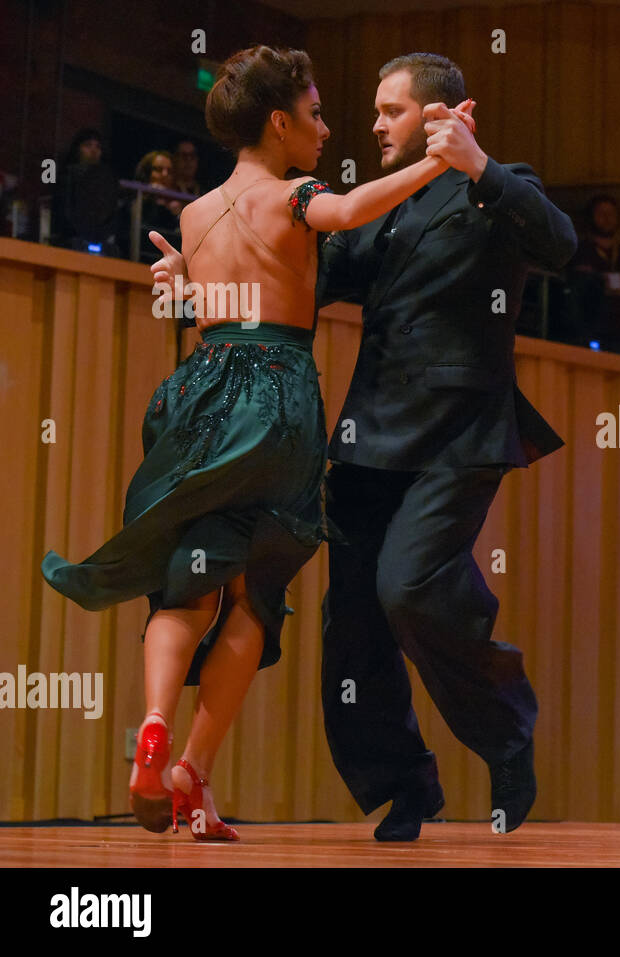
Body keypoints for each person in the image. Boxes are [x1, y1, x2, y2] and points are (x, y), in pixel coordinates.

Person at [41, 44, 473, 843]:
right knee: (255, 594)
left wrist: (182, 288)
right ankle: (194, 766)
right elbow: (351, 211)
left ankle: (156, 725)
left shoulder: (195, 213)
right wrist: (438, 164)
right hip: (275, 397)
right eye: (316, 114)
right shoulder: (298, 195)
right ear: (279, 122)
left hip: (198, 394)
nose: (327, 129)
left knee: (185, 585)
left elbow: (202, 310)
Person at [316, 52, 576, 841]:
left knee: (411, 588)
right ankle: (405, 783)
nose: (374, 125)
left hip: (460, 431)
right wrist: (205, 277)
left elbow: (560, 244)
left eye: (390, 111)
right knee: (352, 624)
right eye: (375, 110)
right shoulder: (379, 205)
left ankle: (505, 734)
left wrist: (480, 167)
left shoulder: (499, 185)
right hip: (369, 436)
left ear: (442, 115)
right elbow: (313, 277)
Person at [565, 193, 620, 354]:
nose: (607, 218)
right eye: (601, 213)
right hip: (587, 333)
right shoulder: (580, 252)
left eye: (611, 214)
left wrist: (604, 281)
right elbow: (584, 283)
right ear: (591, 217)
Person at [123, 150, 182, 261]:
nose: (165, 174)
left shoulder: (176, 207)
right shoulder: (134, 201)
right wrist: (149, 199)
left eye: (169, 171)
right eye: (158, 170)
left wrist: (177, 215)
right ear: (146, 173)